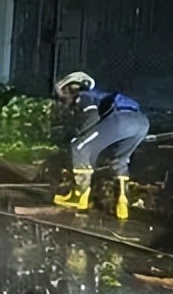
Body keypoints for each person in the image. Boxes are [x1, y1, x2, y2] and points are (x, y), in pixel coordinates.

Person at [53, 71, 149, 220]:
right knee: (120, 160)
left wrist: (81, 138)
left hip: (120, 119)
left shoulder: (83, 97)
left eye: (62, 96)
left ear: (71, 88)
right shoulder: (99, 97)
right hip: (142, 122)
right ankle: (121, 202)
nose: (61, 101)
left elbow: (91, 118)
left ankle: (79, 198)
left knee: (78, 147)